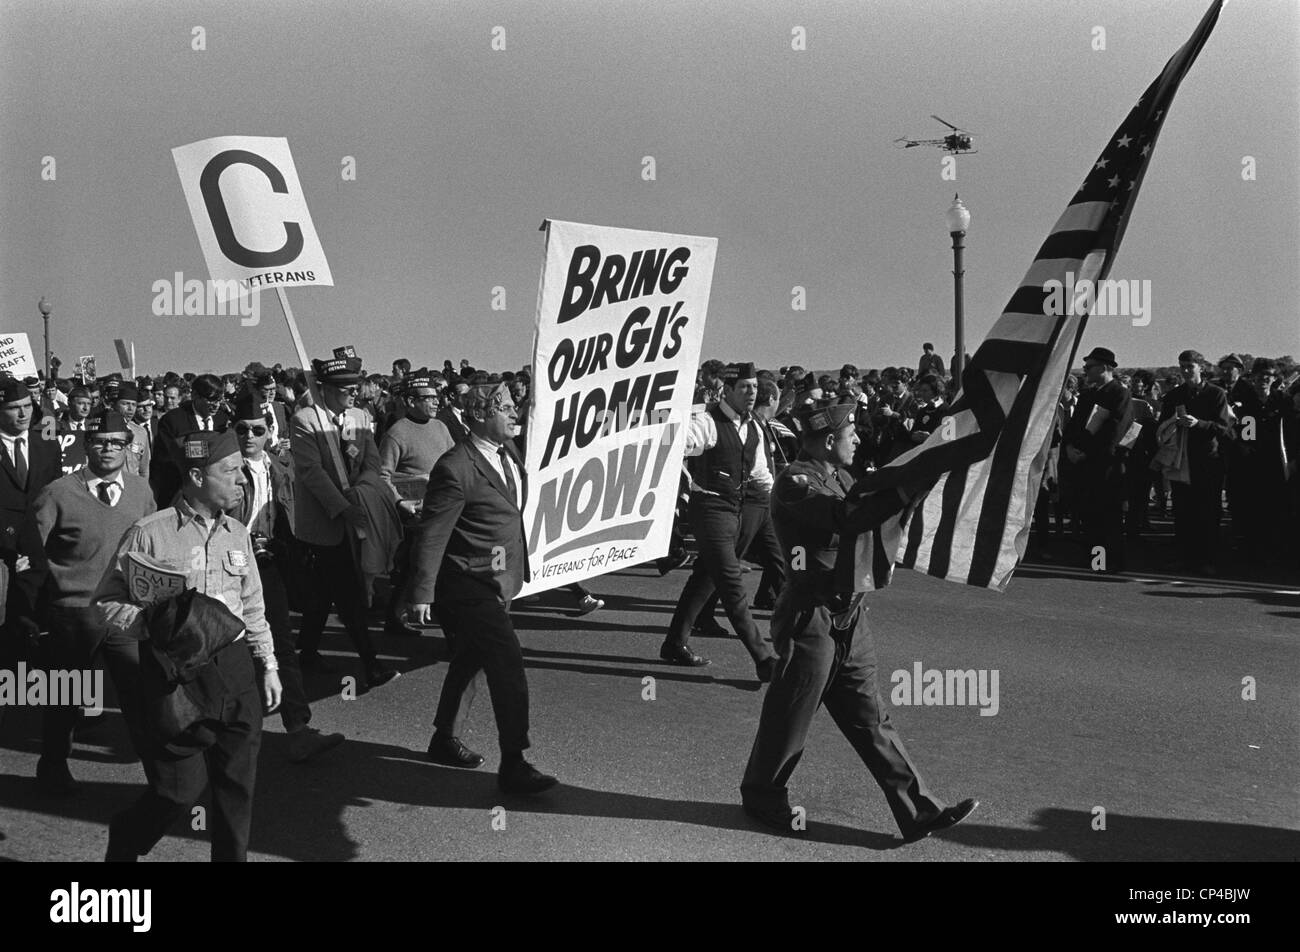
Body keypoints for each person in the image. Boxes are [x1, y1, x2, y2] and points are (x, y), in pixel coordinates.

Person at [739, 398, 978, 841]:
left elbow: (878, 506)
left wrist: (928, 469)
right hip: (809, 613)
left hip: (849, 611)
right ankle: (761, 796)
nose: (859, 438)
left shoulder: (843, 475)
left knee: (871, 718)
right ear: (830, 440)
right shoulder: (795, 482)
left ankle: (919, 810)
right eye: (852, 434)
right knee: (791, 715)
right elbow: (850, 517)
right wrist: (907, 484)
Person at [95, 429, 282, 862]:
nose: (241, 481)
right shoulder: (150, 533)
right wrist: (151, 623)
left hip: (235, 671)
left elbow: (252, 605)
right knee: (177, 792)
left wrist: (267, 664)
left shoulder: (237, 532)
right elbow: (106, 600)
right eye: (230, 472)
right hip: (176, 677)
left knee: (237, 790)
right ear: (197, 476)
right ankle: (126, 838)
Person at [400, 373, 558, 794]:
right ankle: (515, 762)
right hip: (468, 583)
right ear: (479, 415)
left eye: (512, 407)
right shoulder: (455, 467)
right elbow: (433, 534)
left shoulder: (508, 450)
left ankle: (443, 737)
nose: (514, 414)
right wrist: (421, 593)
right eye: (505, 409)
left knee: (470, 659)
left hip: (500, 579)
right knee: (507, 664)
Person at [20, 409, 157, 795]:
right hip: (72, 613)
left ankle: (161, 779)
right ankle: (53, 768)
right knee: (66, 698)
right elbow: (32, 552)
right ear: (86, 446)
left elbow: (149, 545)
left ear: (128, 448)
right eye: (100, 442)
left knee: (138, 697)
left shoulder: (141, 491)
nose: (109, 449)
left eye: (117, 442)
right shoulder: (58, 492)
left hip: (123, 612)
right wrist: (36, 613)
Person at [231, 392, 344, 763]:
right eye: (242, 429)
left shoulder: (278, 468)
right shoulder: (225, 471)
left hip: (267, 565)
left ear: (268, 433)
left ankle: (299, 729)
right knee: (229, 651)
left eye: (256, 430)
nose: (249, 436)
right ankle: (227, 734)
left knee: (282, 645)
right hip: (229, 569)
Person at [661, 362, 778, 679]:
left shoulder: (753, 425)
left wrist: (775, 505)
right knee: (730, 583)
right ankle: (765, 658)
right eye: (744, 387)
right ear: (727, 391)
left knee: (705, 578)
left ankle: (674, 643)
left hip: (739, 510)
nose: (752, 392)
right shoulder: (707, 422)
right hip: (710, 511)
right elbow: (677, 444)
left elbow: (761, 473)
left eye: (754, 386)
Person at [290, 354, 399, 690]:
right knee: (348, 593)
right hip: (325, 522)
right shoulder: (306, 420)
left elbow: (372, 460)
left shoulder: (360, 417)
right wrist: (342, 505)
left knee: (324, 593)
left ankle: (305, 652)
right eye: (343, 389)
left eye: (354, 387)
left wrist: (363, 491)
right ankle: (371, 664)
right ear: (324, 389)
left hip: (359, 510)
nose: (352, 394)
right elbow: (311, 472)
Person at [379, 369, 456, 636]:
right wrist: (401, 503)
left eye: (438, 397)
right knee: (414, 567)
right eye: (429, 397)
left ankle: (401, 616)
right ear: (411, 401)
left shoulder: (441, 427)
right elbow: (382, 476)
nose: (437, 402)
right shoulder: (397, 433)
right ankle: (396, 617)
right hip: (415, 513)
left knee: (432, 567)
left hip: (444, 508)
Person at [1158, 350, 1233, 575]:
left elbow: (1224, 429)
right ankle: (1184, 558)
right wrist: (1172, 423)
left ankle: (1207, 560)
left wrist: (1198, 423)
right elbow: (1162, 424)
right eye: (1182, 367)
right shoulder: (1175, 395)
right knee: (1183, 511)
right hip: (1181, 459)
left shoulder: (1216, 394)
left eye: (1190, 367)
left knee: (1208, 512)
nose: (1186, 371)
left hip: (1207, 461)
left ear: (1201, 367)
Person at [1061, 347, 1133, 572]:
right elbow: (1074, 426)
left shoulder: (1119, 393)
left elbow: (1115, 431)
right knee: (1089, 515)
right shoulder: (1088, 395)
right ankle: (1094, 559)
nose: (1085, 370)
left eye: (1089, 366)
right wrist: (1070, 447)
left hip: (1107, 466)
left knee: (1108, 517)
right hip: (1086, 466)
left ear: (1104, 367)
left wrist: (1087, 452)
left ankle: (1110, 561)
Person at [150, 373, 230, 508]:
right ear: (195, 396)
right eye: (211, 400)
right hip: (179, 494)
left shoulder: (221, 419)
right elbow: (166, 457)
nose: (216, 405)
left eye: (219, 400)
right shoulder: (173, 421)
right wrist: (205, 450)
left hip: (214, 494)